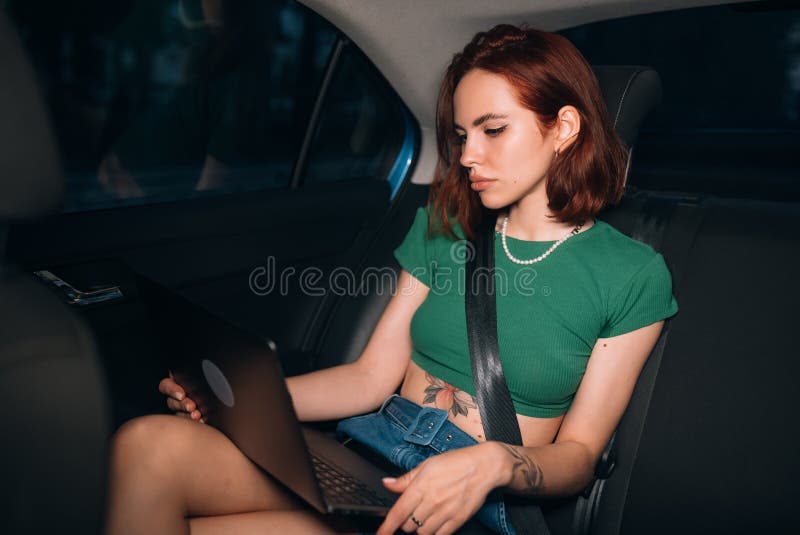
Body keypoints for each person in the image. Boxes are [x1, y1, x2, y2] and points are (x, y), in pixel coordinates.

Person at [105, 24, 677, 535]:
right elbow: (370, 378)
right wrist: (234, 401)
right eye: (460, 136)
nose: (469, 156)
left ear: (564, 128)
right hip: (372, 450)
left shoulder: (630, 273)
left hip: (473, 496)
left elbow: (579, 455)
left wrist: (498, 462)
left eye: (493, 130)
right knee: (146, 446)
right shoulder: (448, 225)